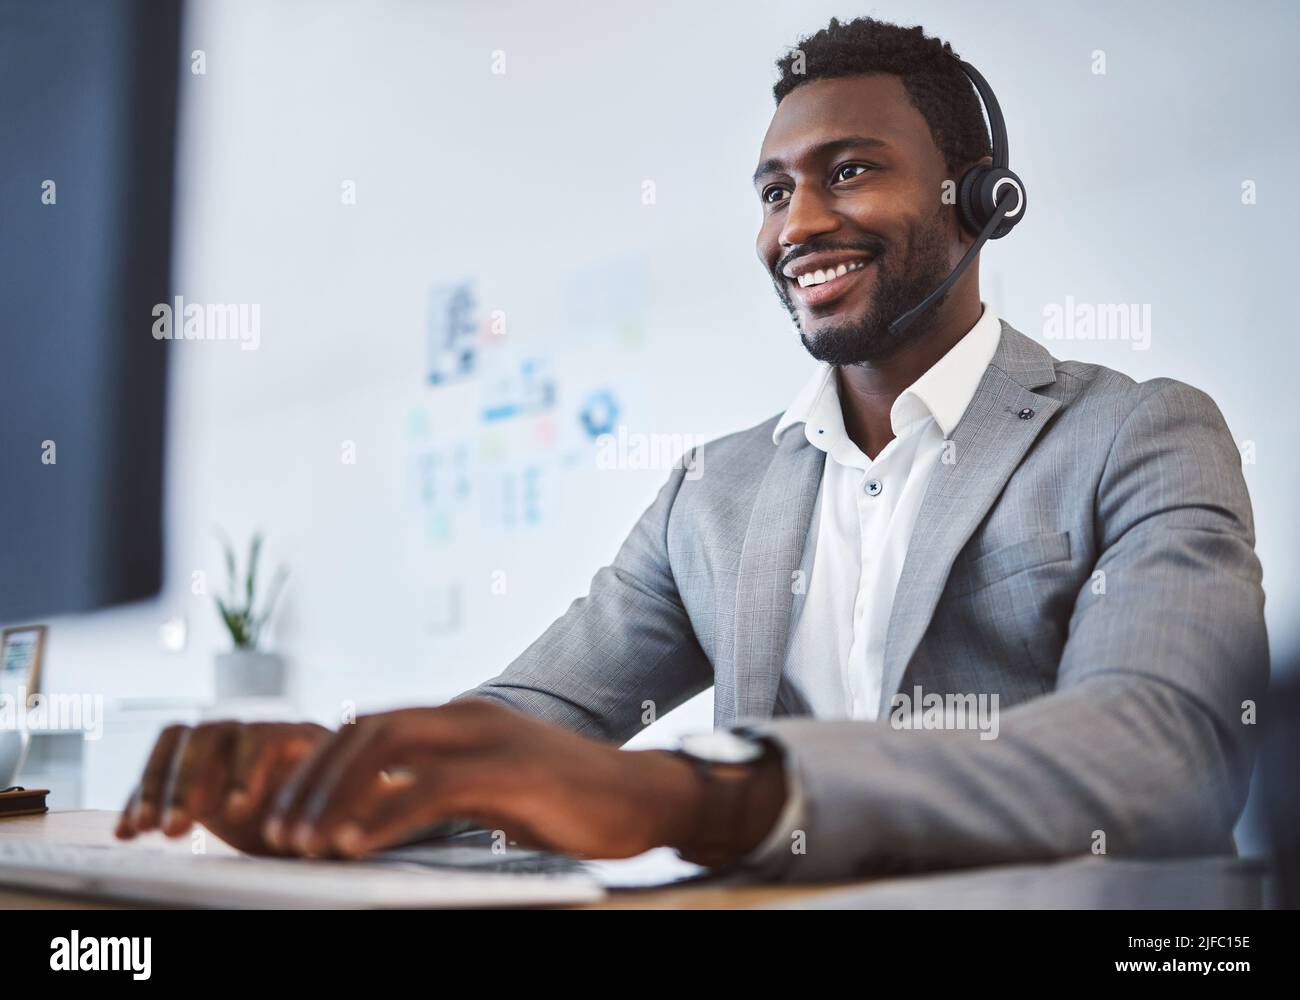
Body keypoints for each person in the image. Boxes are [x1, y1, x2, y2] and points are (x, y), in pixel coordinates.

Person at [116, 15, 1268, 882]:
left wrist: (705, 795)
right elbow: (538, 720)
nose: (798, 224)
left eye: (850, 170)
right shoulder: (717, 489)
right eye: (774, 188)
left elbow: (1158, 755)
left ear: (981, 199)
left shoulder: (1137, 431)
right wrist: (340, 770)